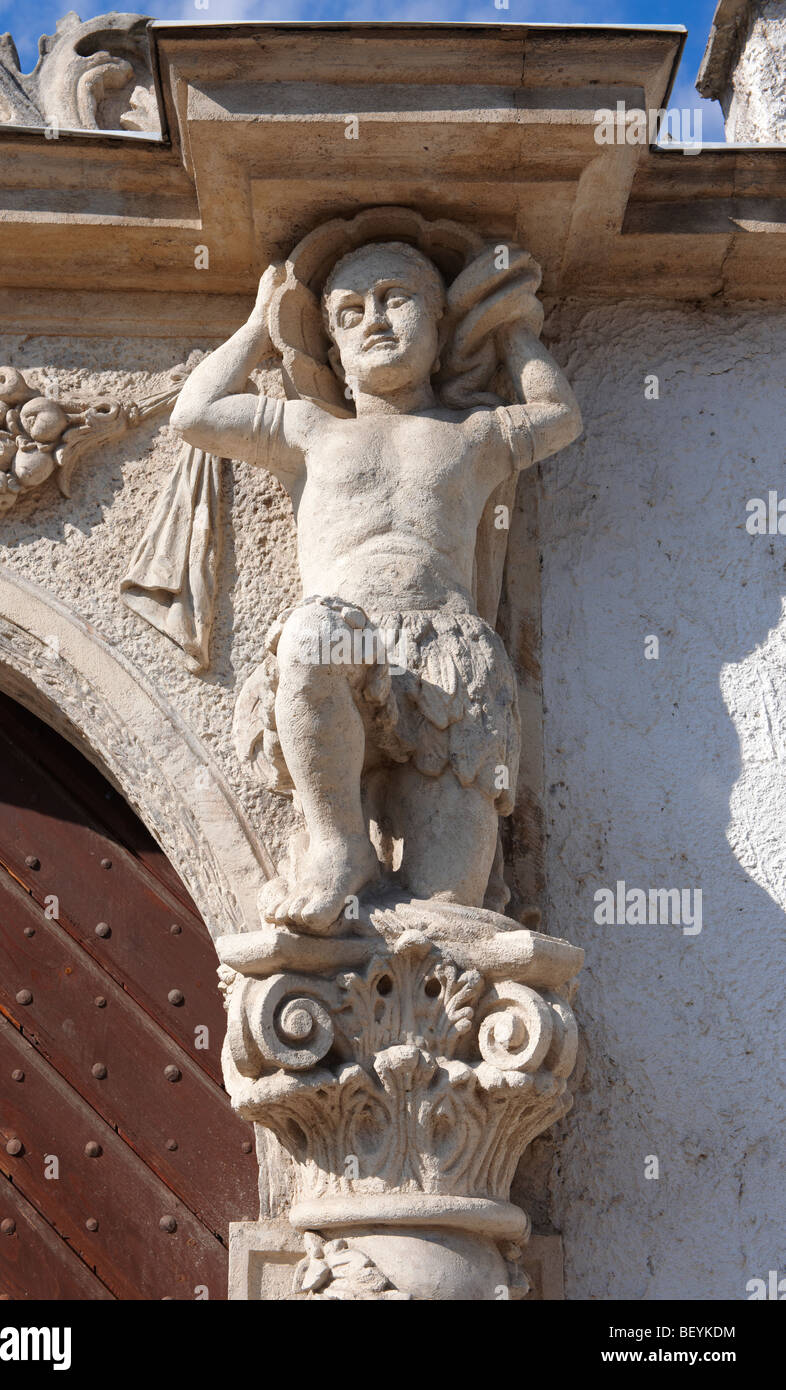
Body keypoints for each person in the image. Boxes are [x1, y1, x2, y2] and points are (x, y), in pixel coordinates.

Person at [171, 240, 581, 931]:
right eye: (351, 312)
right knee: (313, 632)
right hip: (339, 651)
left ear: (440, 329)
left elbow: (559, 415)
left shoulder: (472, 436)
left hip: (451, 669)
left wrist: (511, 330)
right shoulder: (309, 431)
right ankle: (339, 849)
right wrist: (258, 327)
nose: (376, 319)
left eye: (398, 299)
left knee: (452, 916)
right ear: (332, 348)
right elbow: (197, 415)